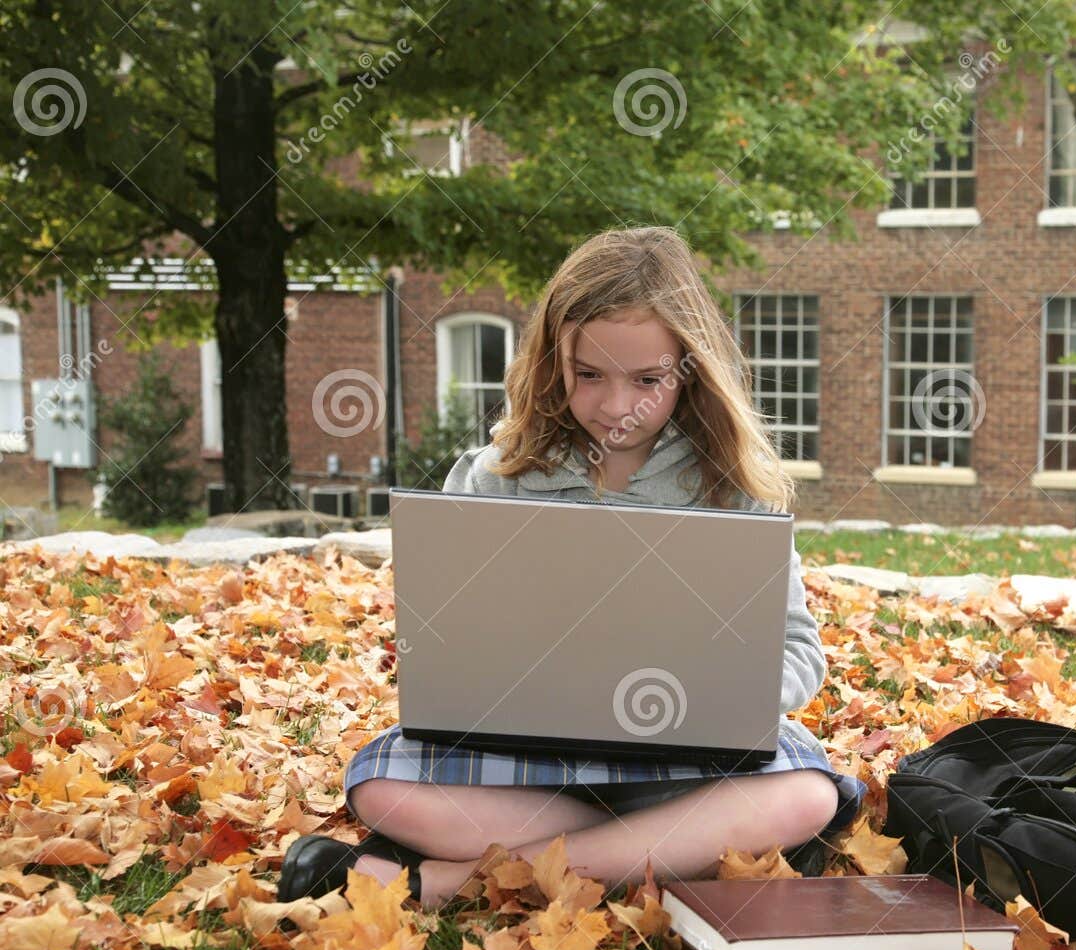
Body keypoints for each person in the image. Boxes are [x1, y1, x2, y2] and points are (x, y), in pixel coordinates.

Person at [276, 226, 863, 909]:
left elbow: (800, 651)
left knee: (807, 795)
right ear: (554, 363)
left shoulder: (732, 490)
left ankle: (442, 882)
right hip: (531, 766)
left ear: (689, 370)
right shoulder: (494, 478)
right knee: (382, 786)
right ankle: (659, 847)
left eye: (648, 380)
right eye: (589, 375)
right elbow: (443, 636)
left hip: (686, 762)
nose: (617, 406)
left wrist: (724, 697)